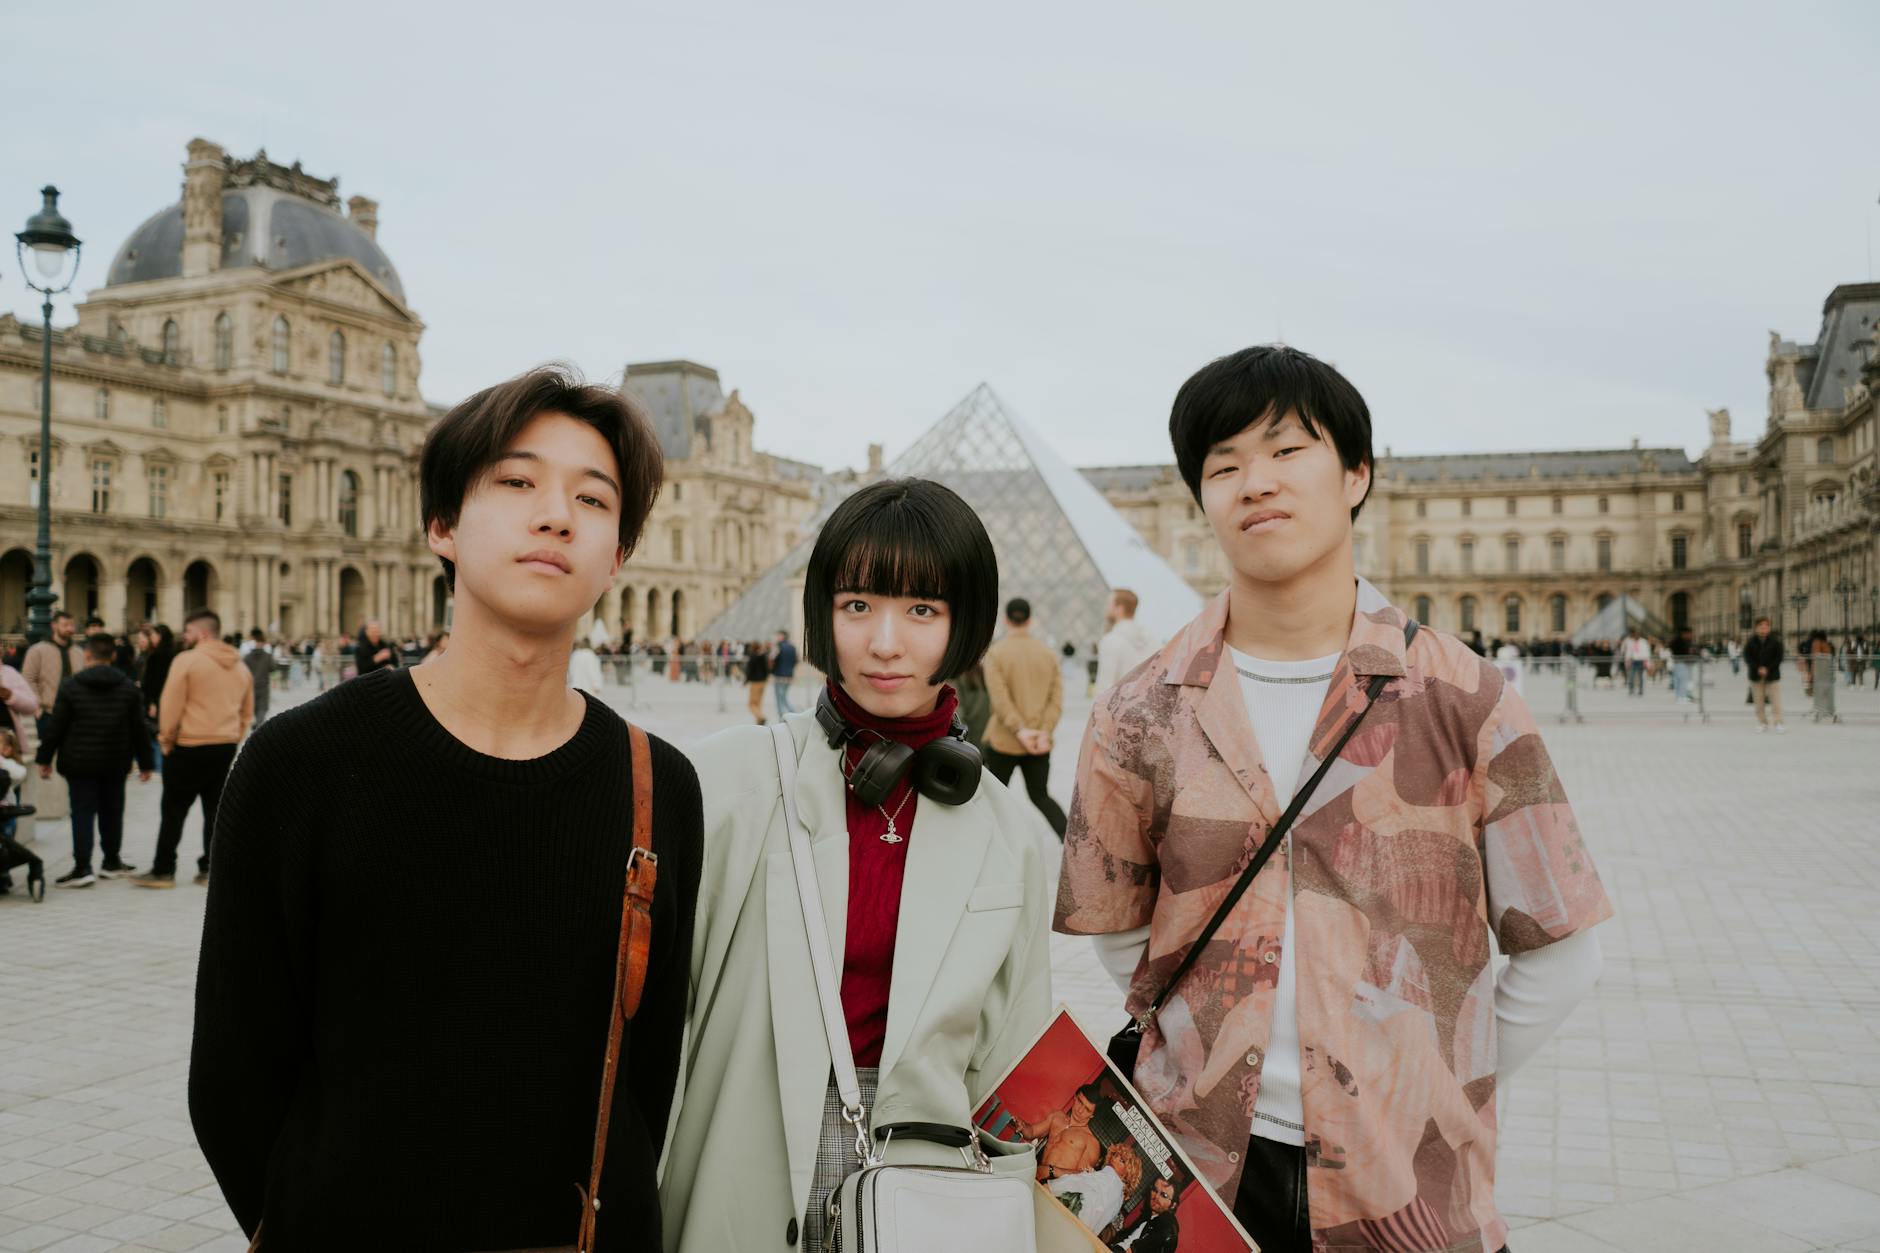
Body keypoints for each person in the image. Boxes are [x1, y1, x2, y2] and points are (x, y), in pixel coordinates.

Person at [1057, 346, 1609, 1253]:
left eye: (1285, 451)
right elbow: (1125, 935)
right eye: (1223, 465)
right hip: (1195, 1173)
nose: (1254, 483)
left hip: (1408, 1188)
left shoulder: (1468, 698)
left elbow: (1562, 955)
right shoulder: (1135, 711)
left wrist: (1429, 1083)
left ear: (1357, 475)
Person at [189, 365, 700, 1247]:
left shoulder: (659, 785)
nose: (555, 515)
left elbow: (645, 1075)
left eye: (593, 497)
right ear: (442, 525)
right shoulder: (298, 762)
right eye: (516, 481)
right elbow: (233, 1073)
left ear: (616, 556)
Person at [664, 477, 1052, 1253]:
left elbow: (1017, 1058)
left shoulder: (1010, 829)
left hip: (929, 1187)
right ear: (823, 615)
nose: (884, 642)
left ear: (963, 623)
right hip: (745, 1154)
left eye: (922, 610)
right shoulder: (724, 781)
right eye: (857, 606)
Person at [133, 609, 252, 888]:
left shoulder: (186, 661)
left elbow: (171, 705)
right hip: (223, 746)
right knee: (215, 810)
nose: (183, 638)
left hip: (188, 745)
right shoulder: (239, 665)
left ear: (202, 633)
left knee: (173, 809)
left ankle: (164, 870)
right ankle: (210, 869)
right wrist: (233, 736)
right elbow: (247, 712)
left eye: (186, 632)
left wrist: (166, 739)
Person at [33, 631, 154, 886]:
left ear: (87, 655)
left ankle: (82, 866)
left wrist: (44, 758)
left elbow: (57, 726)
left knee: (82, 813)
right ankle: (111, 861)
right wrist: (146, 763)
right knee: (113, 810)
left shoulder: (71, 686)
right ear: (112, 655)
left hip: (79, 761)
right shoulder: (127, 688)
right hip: (115, 760)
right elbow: (139, 728)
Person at [982, 597, 1069, 838]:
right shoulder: (1048, 654)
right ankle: (1071, 845)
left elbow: (999, 699)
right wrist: (1044, 731)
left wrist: (1018, 729)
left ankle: (992, 849)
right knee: (1041, 796)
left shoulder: (997, 653)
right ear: (1030, 619)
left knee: (994, 801)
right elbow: (1056, 700)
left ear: (1006, 619)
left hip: (1004, 740)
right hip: (1039, 743)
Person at [1048, 1138, 1142, 1235]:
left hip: (1067, 1227)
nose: (1114, 1159)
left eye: (1122, 1160)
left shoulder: (1109, 1177)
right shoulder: (1119, 1196)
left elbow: (1073, 1183)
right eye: (1115, 1155)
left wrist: (1050, 1185)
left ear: (1128, 1173)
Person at [1017, 1083, 1103, 1184]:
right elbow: (1031, 1132)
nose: (1080, 1110)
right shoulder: (1057, 1117)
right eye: (1080, 1102)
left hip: (1055, 1190)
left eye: (1087, 1110)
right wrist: (1023, 1126)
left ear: (1092, 1115)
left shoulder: (1091, 1142)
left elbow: (1081, 1177)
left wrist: (1051, 1171)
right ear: (1075, 1097)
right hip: (1036, 1178)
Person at [22, 610, 83, 736]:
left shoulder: (79, 652)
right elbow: (28, 679)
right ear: (54, 625)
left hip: (75, 712)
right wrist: (37, 707)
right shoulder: (37, 650)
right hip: (48, 712)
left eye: (72, 625)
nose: (70, 629)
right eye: (65, 625)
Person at [1094, 588, 1159, 696]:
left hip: (1118, 709)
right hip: (1143, 707)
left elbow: (1104, 686)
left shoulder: (1111, 641)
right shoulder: (1152, 641)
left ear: (1119, 608)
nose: (1106, 608)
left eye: (1109, 604)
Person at [1108, 1174, 1180, 1253]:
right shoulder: (1149, 1214)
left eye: (1164, 1195)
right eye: (1155, 1190)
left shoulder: (1167, 1226)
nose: (1156, 1197)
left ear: (1173, 1205)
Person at [1744, 615, 1785, 733]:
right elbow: (1747, 657)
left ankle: (1778, 722)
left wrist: (1767, 668)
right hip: (1756, 675)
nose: (1764, 628)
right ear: (1756, 628)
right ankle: (1762, 723)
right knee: (1758, 701)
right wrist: (1758, 668)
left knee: (1776, 700)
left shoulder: (1776, 641)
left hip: (1772, 675)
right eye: (1761, 626)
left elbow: (1779, 658)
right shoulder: (1751, 642)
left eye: (1766, 625)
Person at [242, 628, 274, 726]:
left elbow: (243, 671)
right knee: (262, 709)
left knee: (254, 708)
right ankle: (259, 726)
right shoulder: (268, 656)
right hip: (263, 685)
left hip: (251, 685)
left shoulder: (247, 657)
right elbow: (273, 668)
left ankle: (257, 725)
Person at [771, 627, 799, 718]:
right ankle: (792, 713)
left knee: (780, 698)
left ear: (782, 636)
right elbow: (796, 660)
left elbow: (772, 658)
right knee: (783, 696)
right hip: (789, 675)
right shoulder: (793, 647)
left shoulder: (778, 646)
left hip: (779, 675)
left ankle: (786, 714)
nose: (776, 637)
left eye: (778, 635)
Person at [743, 638, 770, 725]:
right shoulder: (764, 656)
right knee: (758, 703)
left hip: (755, 682)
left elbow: (750, 670)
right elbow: (767, 669)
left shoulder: (753, 657)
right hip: (763, 682)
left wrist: (746, 681)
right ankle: (758, 721)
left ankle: (761, 717)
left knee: (751, 704)